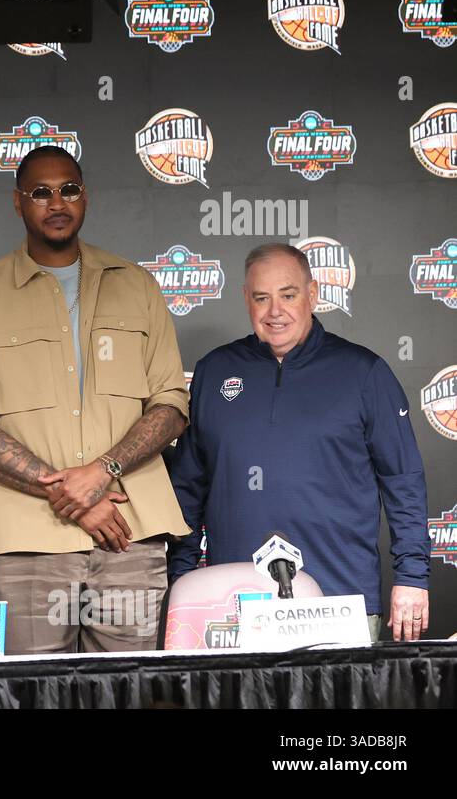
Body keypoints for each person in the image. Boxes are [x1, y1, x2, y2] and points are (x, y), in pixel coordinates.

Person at [0, 146, 190, 654]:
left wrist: (102, 472)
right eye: (40, 192)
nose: (57, 202)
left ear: (85, 197)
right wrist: (75, 498)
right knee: (35, 694)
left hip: (130, 535)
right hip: (27, 543)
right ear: (18, 203)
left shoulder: (136, 285)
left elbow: (171, 404)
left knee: (131, 691)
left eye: (68, 189)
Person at [169, 243, 430, 642]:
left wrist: (412, 576)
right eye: (262, 298)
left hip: (340, 597)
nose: (275, 311)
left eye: (288, 295)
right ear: (246, 299)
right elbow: (188, 486)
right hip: (232, 604)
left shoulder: (363, 372)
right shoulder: (214, 371)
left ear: (313, 294)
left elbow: (403, 481)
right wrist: (182, 579)